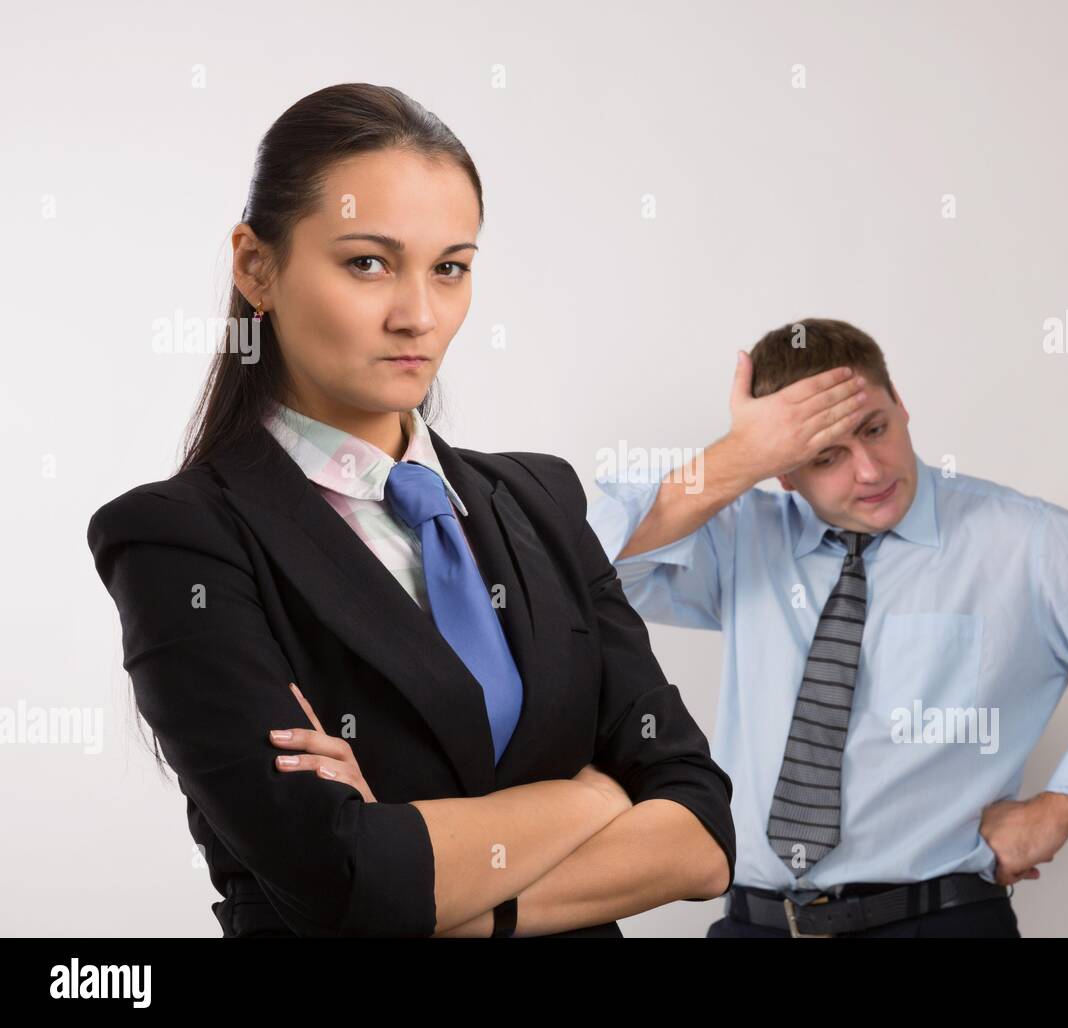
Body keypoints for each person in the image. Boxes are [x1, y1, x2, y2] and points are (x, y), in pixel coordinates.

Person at [86, 83, 735, 939]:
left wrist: (447, 894)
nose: (418, 315)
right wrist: (593, 794)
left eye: (450, 268)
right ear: (256, 267)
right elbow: (340, 876)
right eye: (367, 262)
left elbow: (701, 830)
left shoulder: (541, 500)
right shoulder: (180, 541)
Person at [587, 318, 1068, 938]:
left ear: (900, 401)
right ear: (780, 470)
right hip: (754, 923)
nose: (869, 470)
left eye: (875, 428)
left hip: (939, 921)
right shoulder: (741, 538)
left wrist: (1062, 808)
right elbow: (594, 560)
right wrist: (738, 456)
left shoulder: (1023, 542)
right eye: (826, 455)